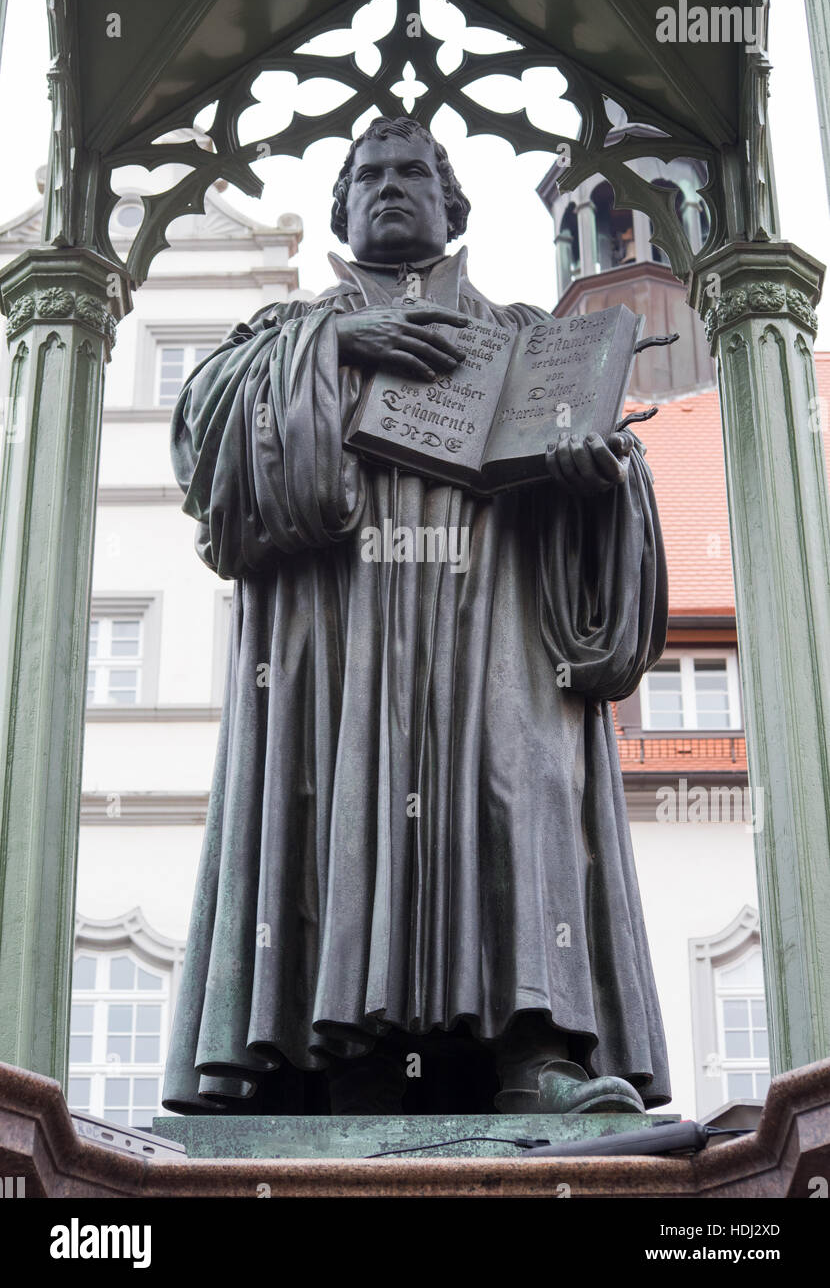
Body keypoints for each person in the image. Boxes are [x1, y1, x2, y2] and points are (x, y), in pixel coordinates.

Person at [162, 116, 671, 1117]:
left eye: (413, 174)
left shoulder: (532, 341)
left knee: (512, 788)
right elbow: (206, 460)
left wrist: (596, 482)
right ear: (343, 211)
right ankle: (320, 1055)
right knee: (332, 801)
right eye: (371, 176)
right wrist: (333, 340)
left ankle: (535, 1051)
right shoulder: (278, 335)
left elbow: (615, 489)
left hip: (497, 630)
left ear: (453, 208)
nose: (391, 188)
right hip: (334, 631)